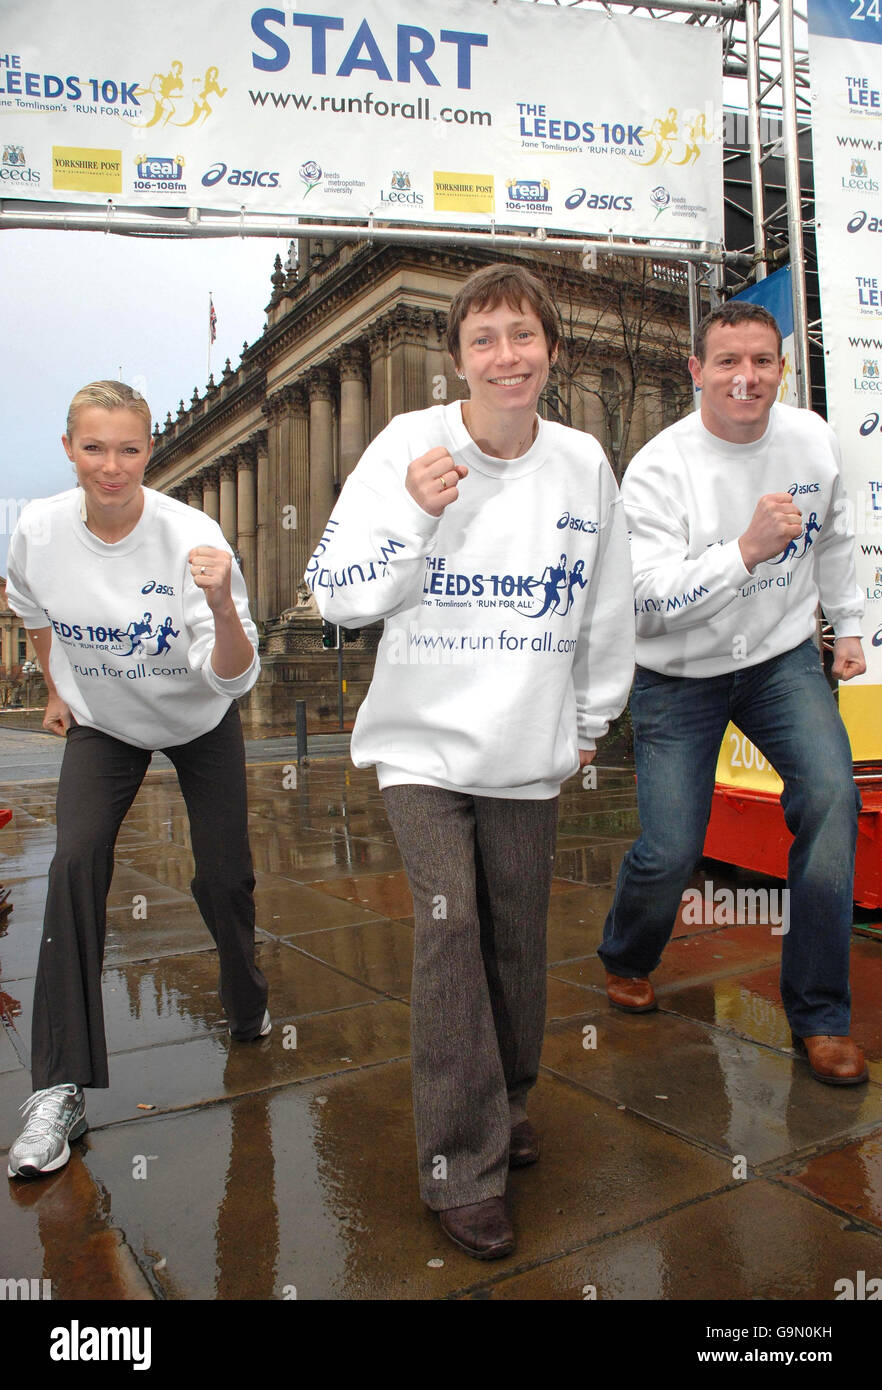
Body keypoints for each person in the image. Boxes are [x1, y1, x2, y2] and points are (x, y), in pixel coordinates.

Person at [305, 263, 635, 1258]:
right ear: (457, 359)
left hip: (529, 749)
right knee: (450, 932)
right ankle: (459, 1161)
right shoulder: (410, 446)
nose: (506, 356)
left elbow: (608, 604)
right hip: (421, 748)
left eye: (522, 336)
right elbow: (334, 594)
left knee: (516, 941)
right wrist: (411, 514)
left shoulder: (584, 464)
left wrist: (591, 720)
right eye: (485, 339)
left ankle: (504, 1101)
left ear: (550, 350)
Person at [598, 301, 868, 1085]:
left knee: (830, 800)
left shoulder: (812, 439)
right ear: (696, 371)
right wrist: (743, 553)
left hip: (780, 658)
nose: (745, 379)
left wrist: (846, 625)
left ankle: (820, 1016)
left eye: (761, 362)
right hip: (678, 672)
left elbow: (838, 531)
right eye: (727, 363)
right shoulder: (658, 467)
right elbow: (643, 600)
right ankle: (627, 949)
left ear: (781, 368)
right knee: (673, 847)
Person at [5, 381, 268, 1179]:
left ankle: (248, 999)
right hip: (106, 723)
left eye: (127, 449)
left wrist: (222, 605)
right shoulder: (37, 530)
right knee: (74, 862)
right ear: (68, 450)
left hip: (197, 715)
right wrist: (57, 690)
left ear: (149, 452)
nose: (110, 467)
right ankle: (57, 1085)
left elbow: (237, 677)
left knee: (223, 878)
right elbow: (35, 615)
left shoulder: (190, 536)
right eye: (93, 448)